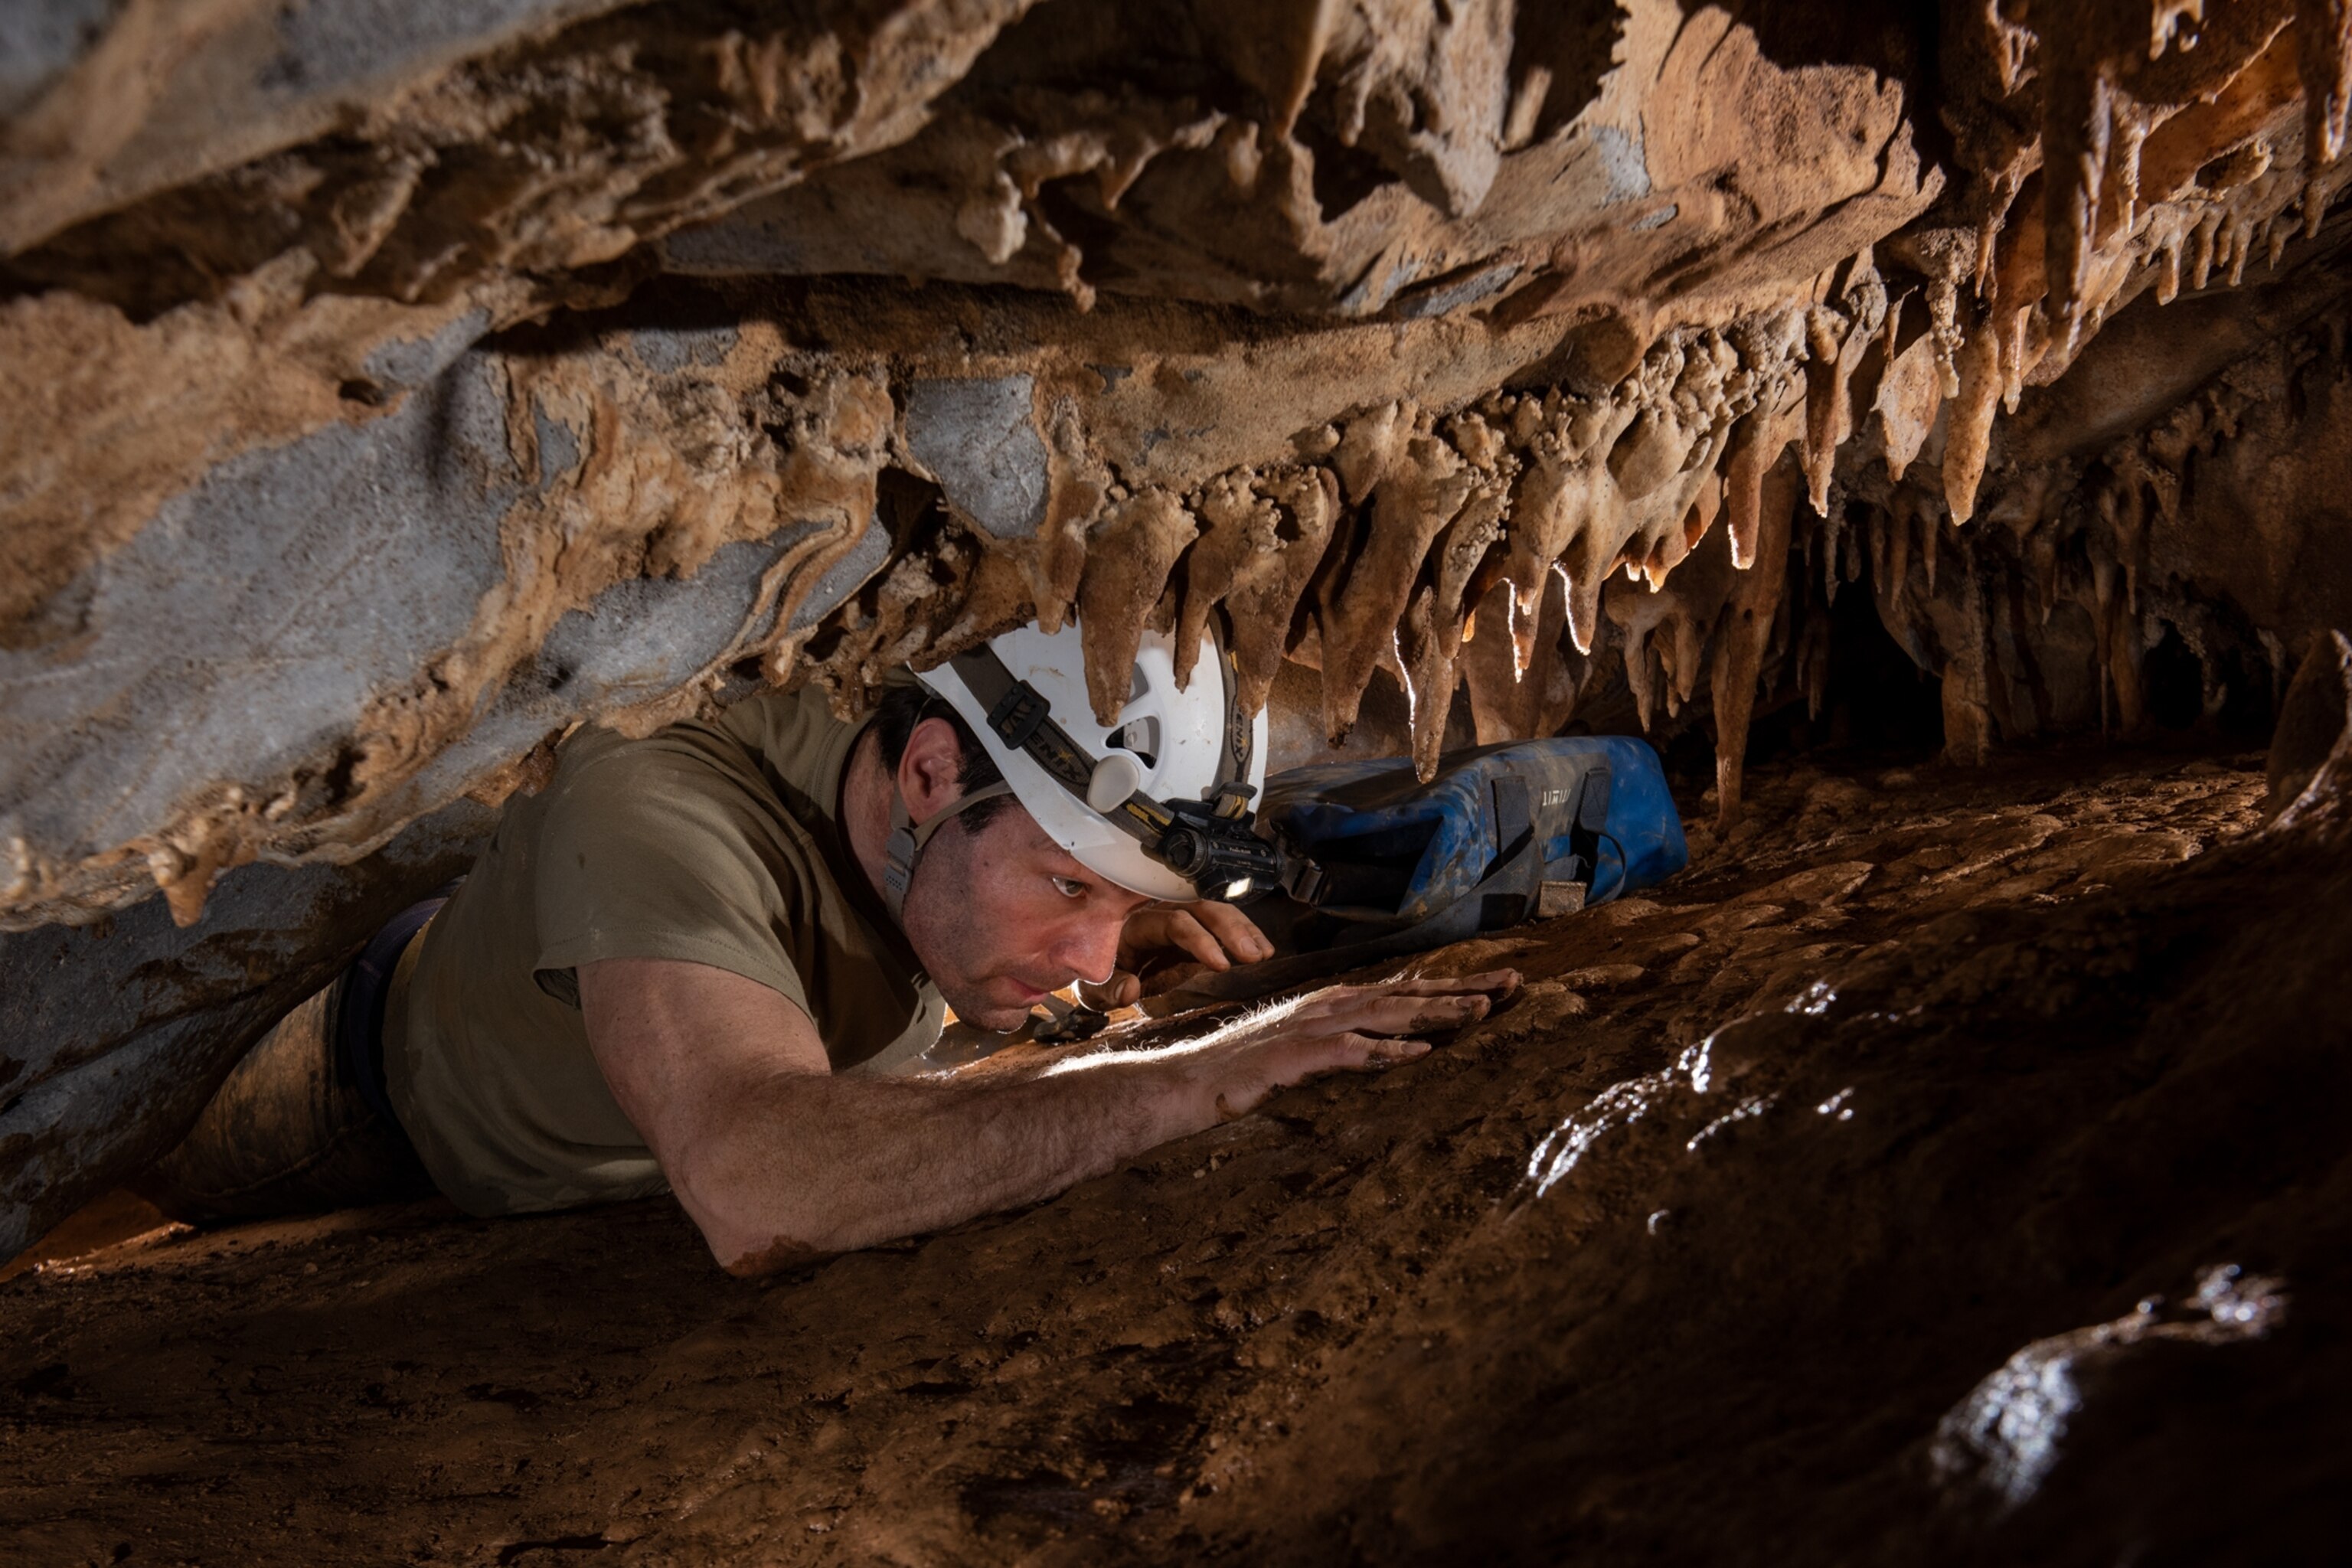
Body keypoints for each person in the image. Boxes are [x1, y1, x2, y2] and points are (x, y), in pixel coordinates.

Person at [142, 618, 1518, 1274]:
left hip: (602, 1000)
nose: (1093, 964)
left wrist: (1131, 905)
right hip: (366, 1091)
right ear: (930, 774)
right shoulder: (659, 814)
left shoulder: (930, 832)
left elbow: (1037, 916)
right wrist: (1198, 1076)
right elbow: (757, 1185)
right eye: (1064, 886)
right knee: (159, 1172)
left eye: (1108, 902)